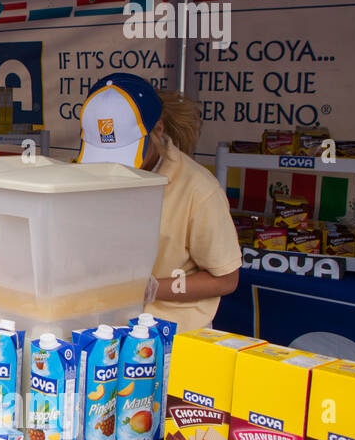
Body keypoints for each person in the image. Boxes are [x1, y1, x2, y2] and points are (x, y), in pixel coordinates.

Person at [77, 73, 241, 332]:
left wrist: (153, 288)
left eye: (124, 155)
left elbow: (226, 279)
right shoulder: (88, 176)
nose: (113, 167)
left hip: (172, 336)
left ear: (158, 130)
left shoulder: (199, 189)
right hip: (106, 328)